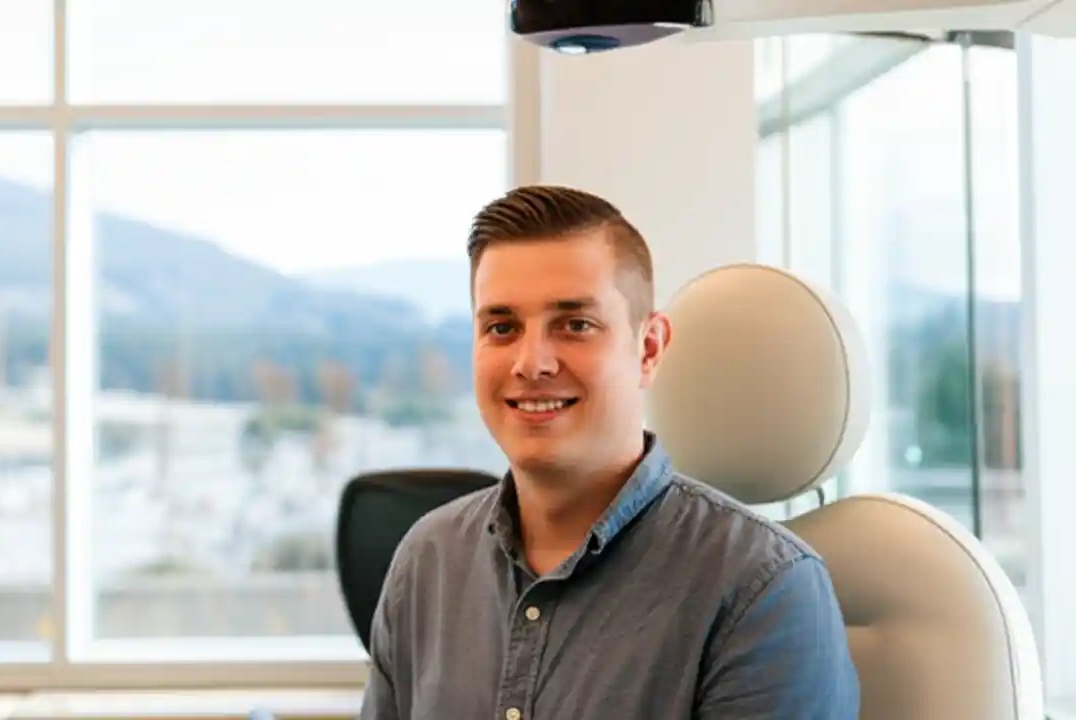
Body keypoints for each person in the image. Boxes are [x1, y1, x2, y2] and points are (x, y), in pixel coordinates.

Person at [359, 185, 859, 719]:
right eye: (501, 328)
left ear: (648, 349)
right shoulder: (427, 560)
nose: (531, 363)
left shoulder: (761, 588)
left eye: (575, 325)